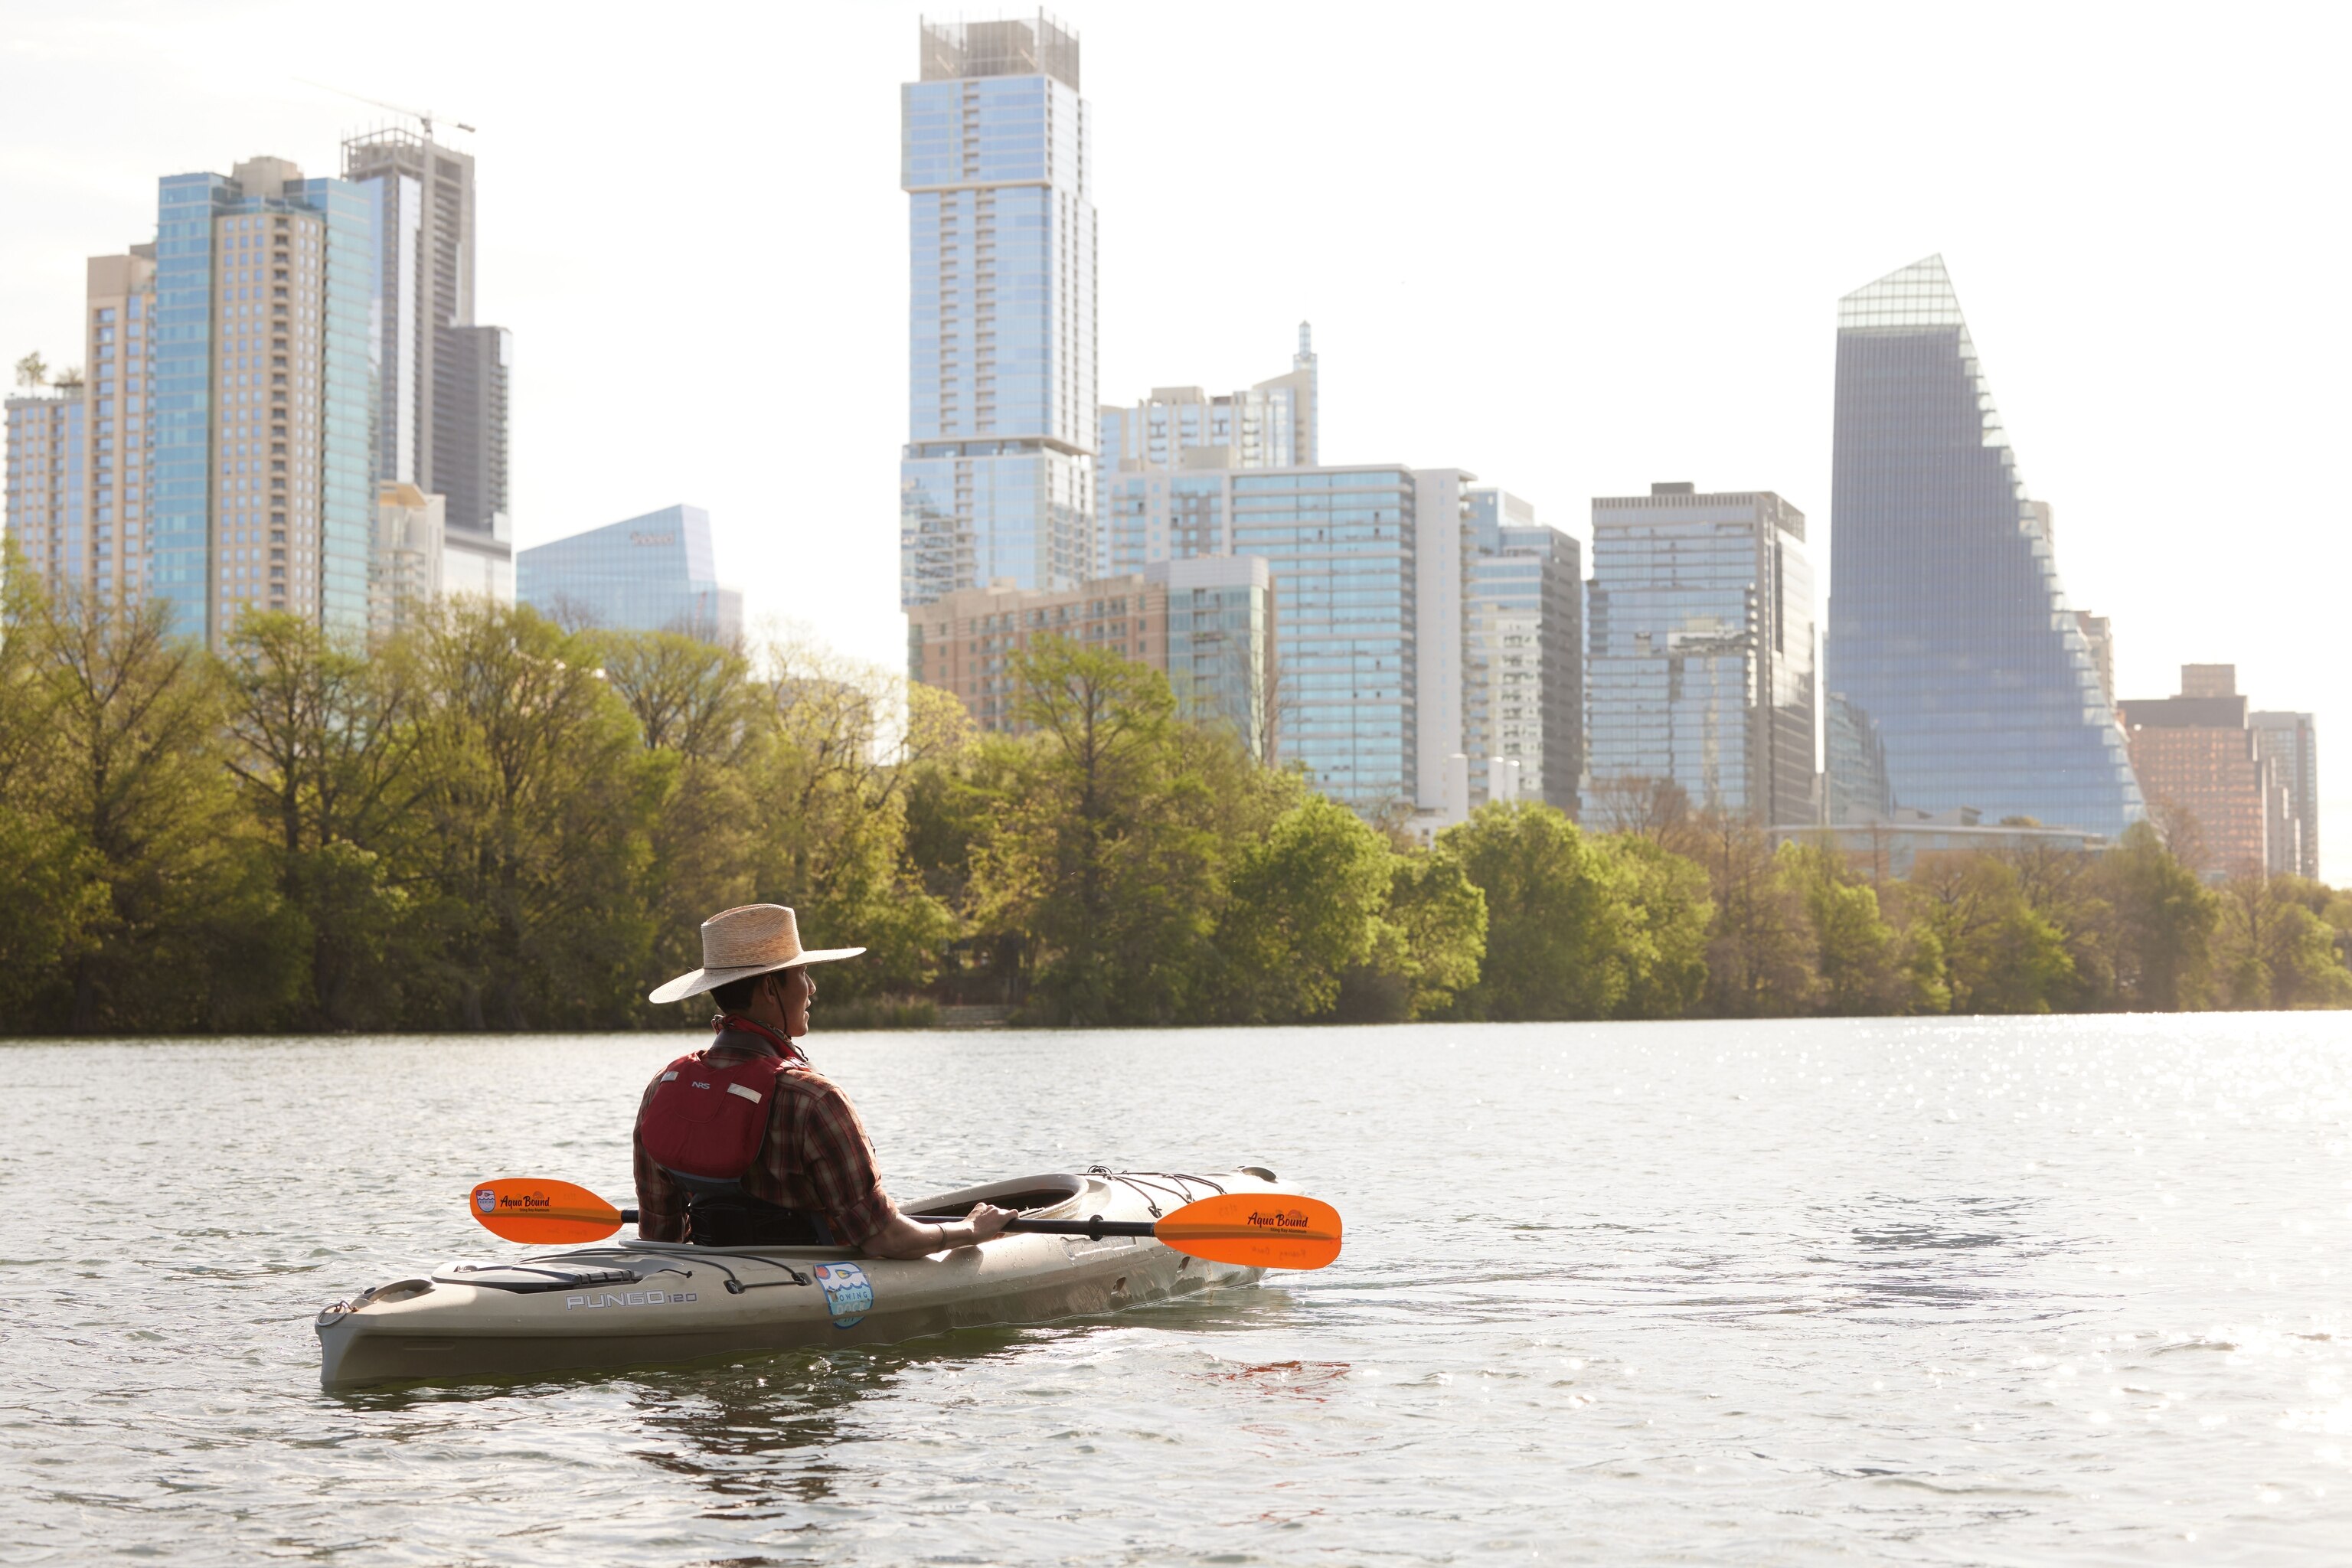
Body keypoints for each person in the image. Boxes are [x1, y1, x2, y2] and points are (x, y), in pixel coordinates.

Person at [636, 903, 1014, 1257]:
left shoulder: (663, 1089)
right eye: (802, 974)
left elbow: (660, 1238)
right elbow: (883, 1237)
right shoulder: (814, 1098)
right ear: (770, 989)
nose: (811, 987)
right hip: (814, 1287)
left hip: (713, 1282)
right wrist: (969, 1231)